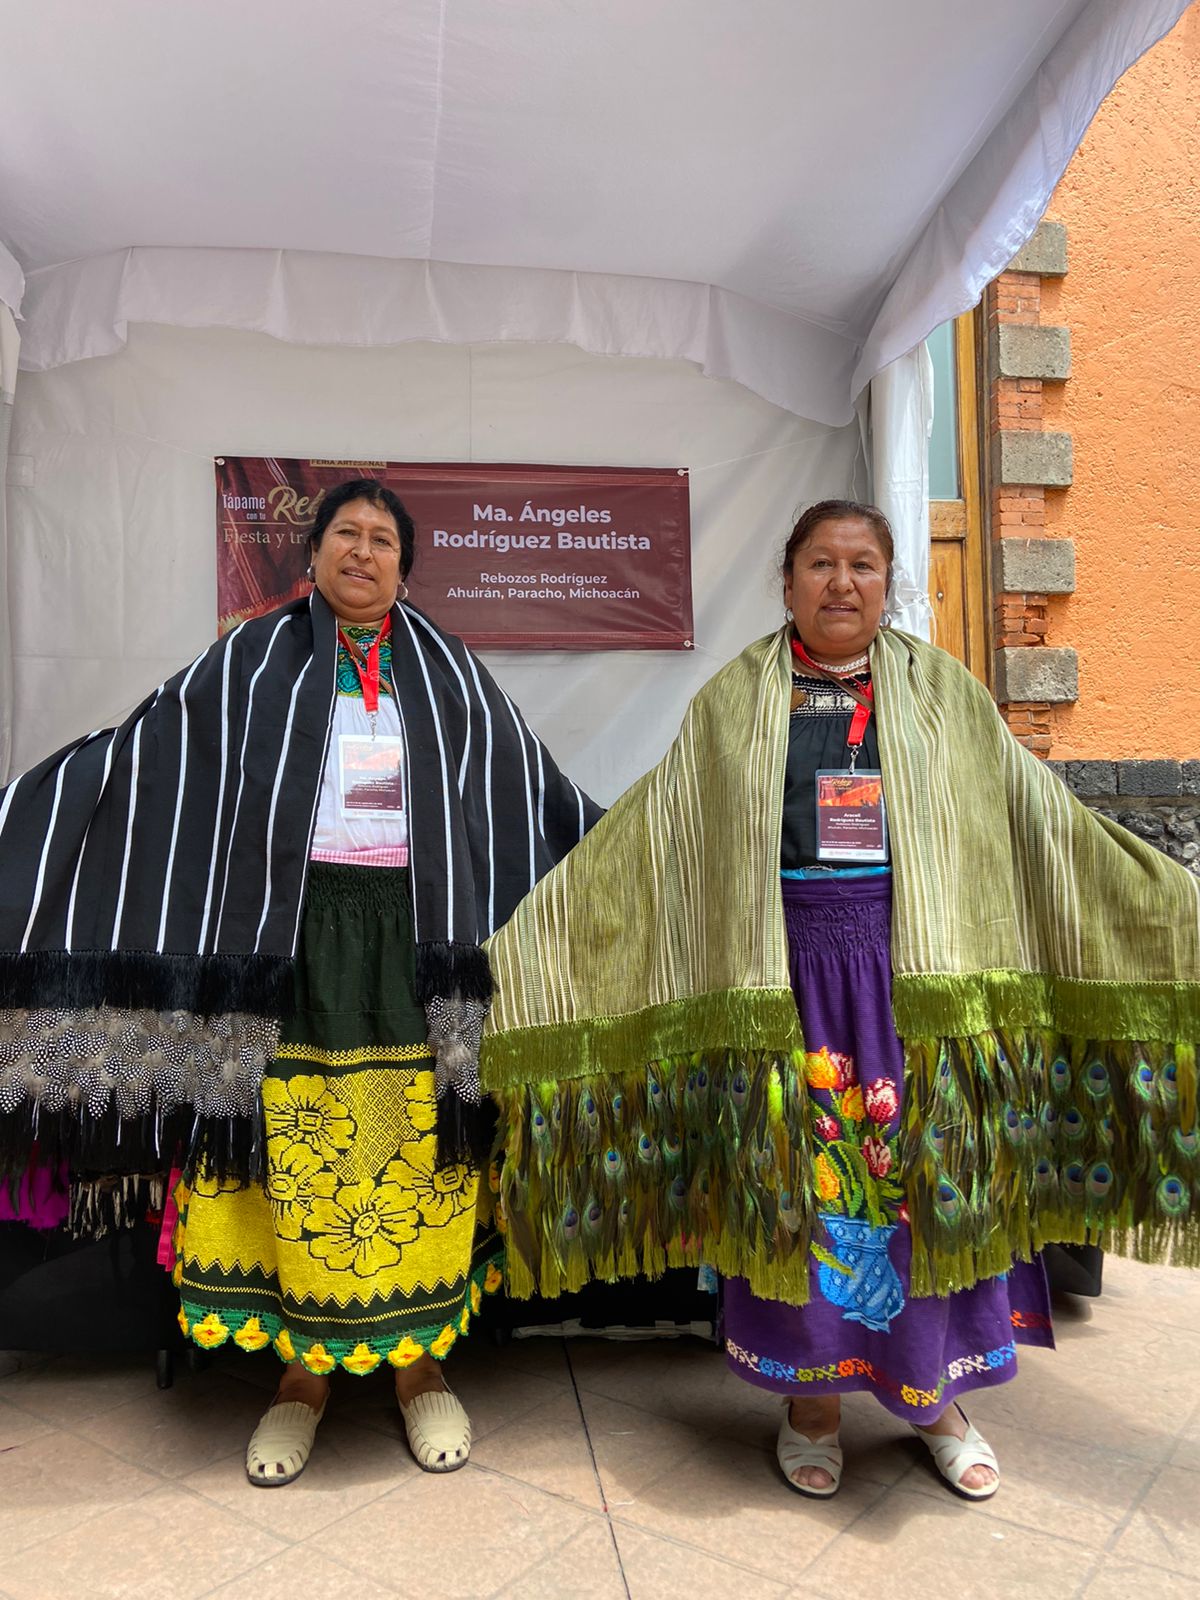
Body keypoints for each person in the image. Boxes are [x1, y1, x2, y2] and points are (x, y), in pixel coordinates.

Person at [480, 498, 1200, 1503]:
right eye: (820, 562)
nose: (842, 582)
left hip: (917, 980)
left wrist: (1170, 901)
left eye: (863, 563)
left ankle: (937, 1403)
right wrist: (528, 945)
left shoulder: (943, 693)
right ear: (787, 583)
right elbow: (658, 833)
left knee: (925, 1182)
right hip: (785, 978)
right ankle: (811, 1406)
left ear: (888, 583)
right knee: (807, 1187)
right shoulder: (738, 700)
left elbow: (1040, 818)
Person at [0, 478, 599, 1485]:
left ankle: (419, 1364)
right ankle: (301, 1376)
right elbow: (148, 758)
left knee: (414, 1142)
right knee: (291, 1143)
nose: (363, 552)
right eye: (345, 534)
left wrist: (628, 849)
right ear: (311, 554)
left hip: (415, 945)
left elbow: (524, 792)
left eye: (382, 540)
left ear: (406, 567)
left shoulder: (449, 671)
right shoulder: (249, 661)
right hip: (292, 945)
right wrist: (32, 815)